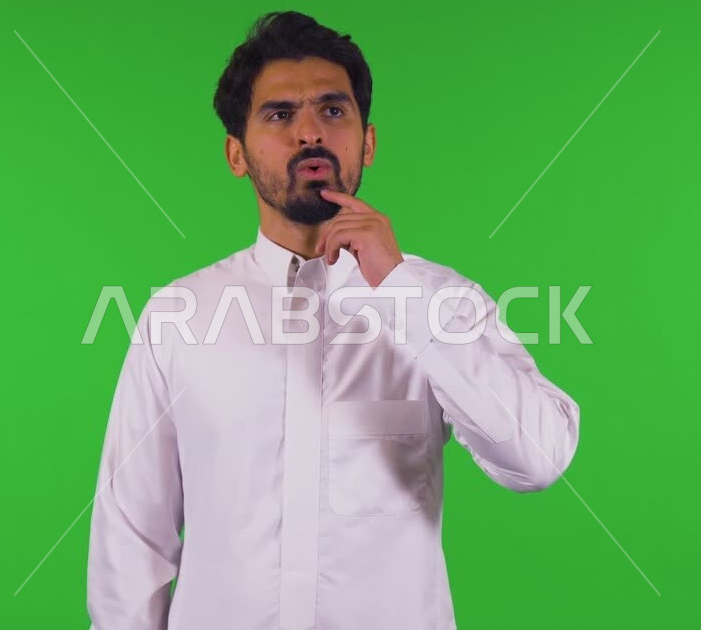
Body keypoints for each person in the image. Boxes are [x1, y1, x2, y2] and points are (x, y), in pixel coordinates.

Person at [87, 11, 580, 630]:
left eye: (333, 110)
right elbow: (132, 537)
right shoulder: (177, 319)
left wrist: (400, 290)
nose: (310, 133)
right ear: (236, 154)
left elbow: (537, 459)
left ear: (368, 141)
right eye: (279, 114)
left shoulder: (441, 300)